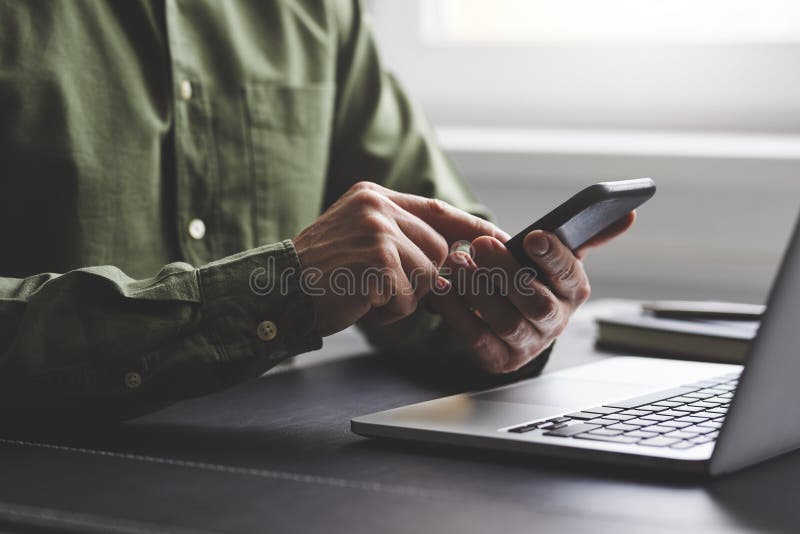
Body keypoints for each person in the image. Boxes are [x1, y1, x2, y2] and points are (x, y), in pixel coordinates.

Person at [0, 1, 634, 425]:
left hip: (275, 472)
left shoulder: (319, 12)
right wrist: (277, 290)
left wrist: (503, 309)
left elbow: (443, 259)